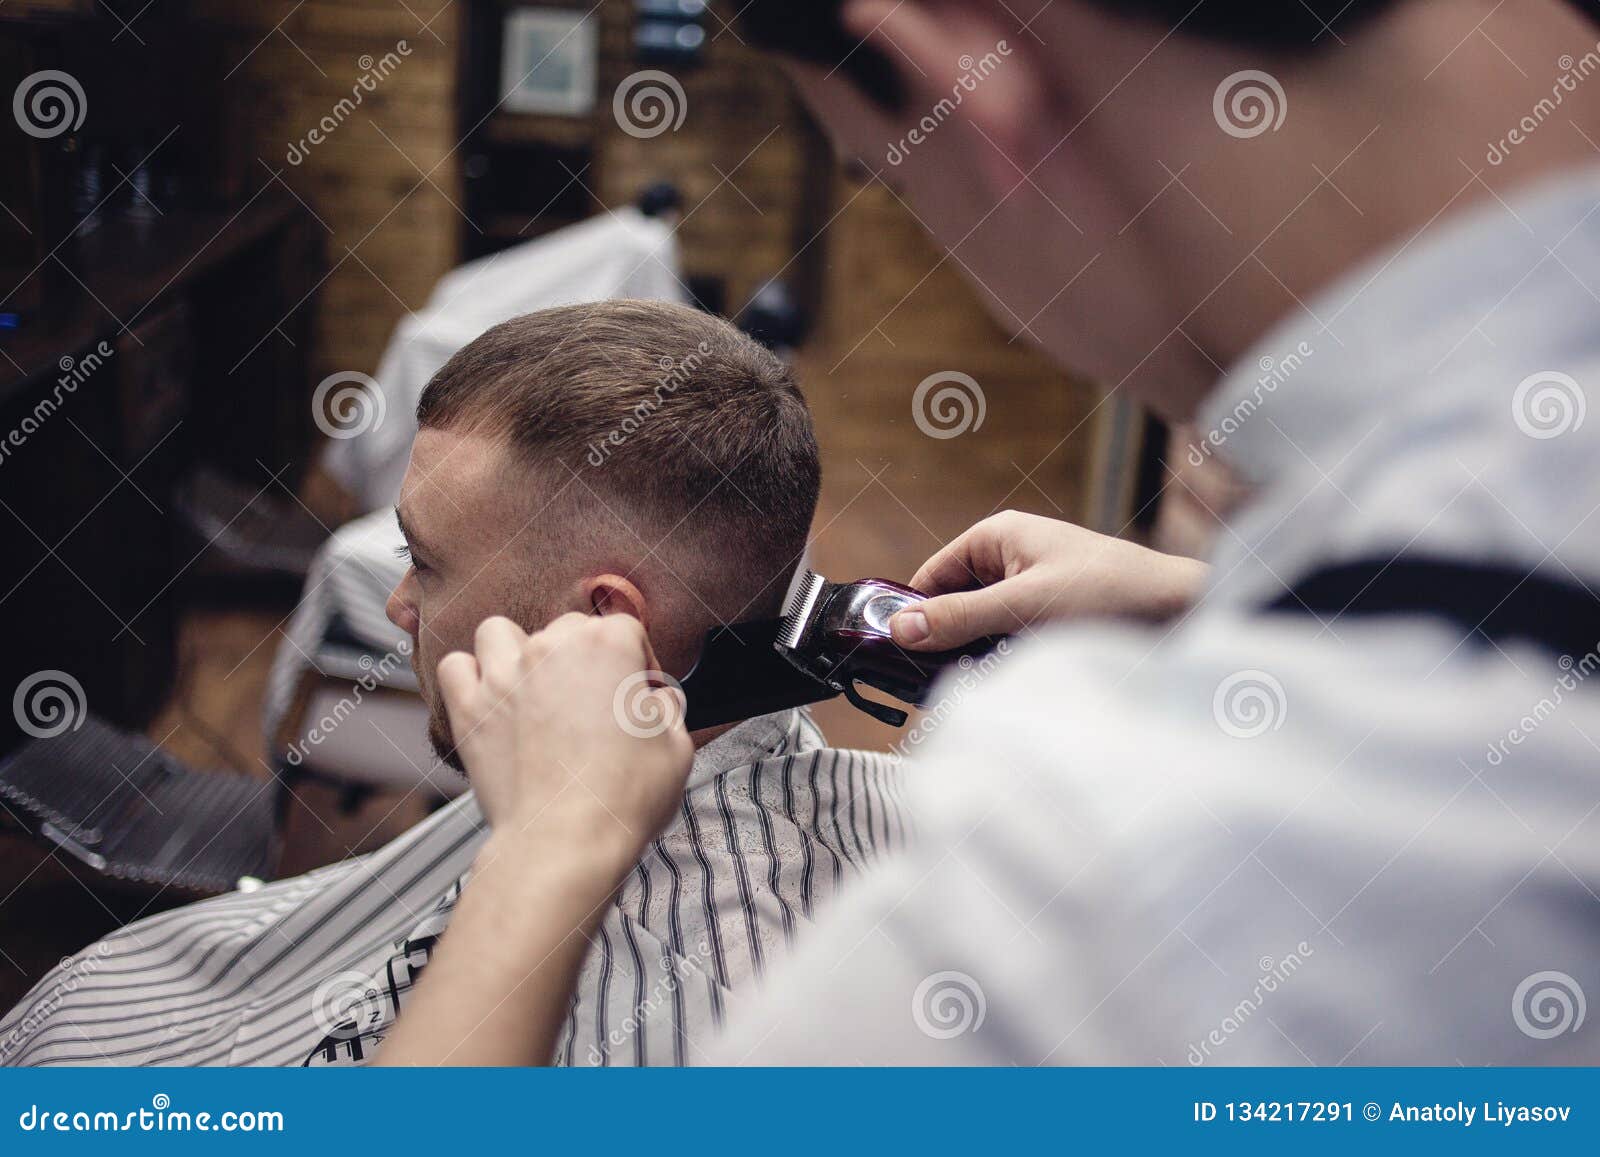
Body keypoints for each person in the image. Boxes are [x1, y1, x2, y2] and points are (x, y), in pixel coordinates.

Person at [372, 0, 1600, 1065]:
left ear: (970, 81)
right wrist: (1206, 594)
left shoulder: (1109, 864)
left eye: (892, 177)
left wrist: (550, 850)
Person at [0, 300, 911, 1067]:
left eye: (424, 562)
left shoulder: (690, 984)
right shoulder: (765, 760)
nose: (397, 602)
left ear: (602, 623)